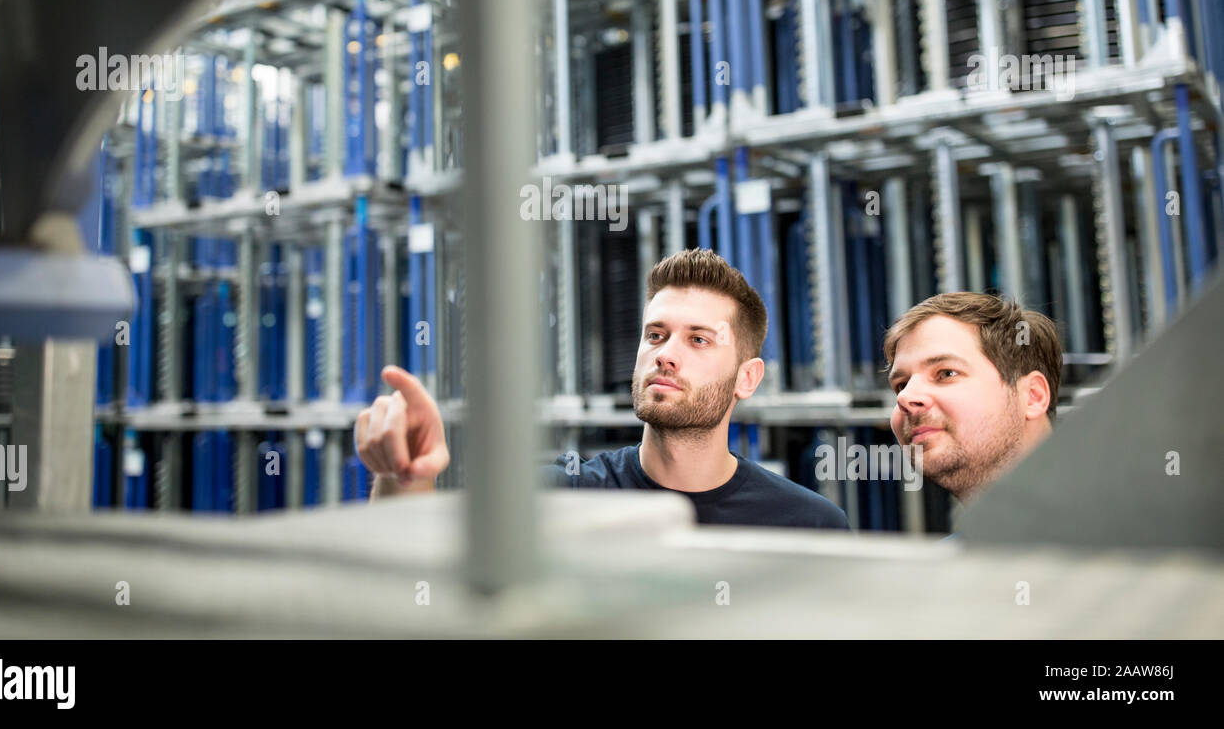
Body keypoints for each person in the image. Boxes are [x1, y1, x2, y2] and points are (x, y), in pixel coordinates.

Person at [356, 248, 849, 529]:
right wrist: (403, 476)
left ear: (748, 378)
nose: (666, 353)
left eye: (698, 339)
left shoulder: (808, 525)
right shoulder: (557, 497)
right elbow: (417, 570)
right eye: (655, 335)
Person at [884, 292, 1061, 502]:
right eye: (901, 385)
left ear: (1032, 396)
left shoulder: (1107, 527)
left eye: (946, 373)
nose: (905, 397)